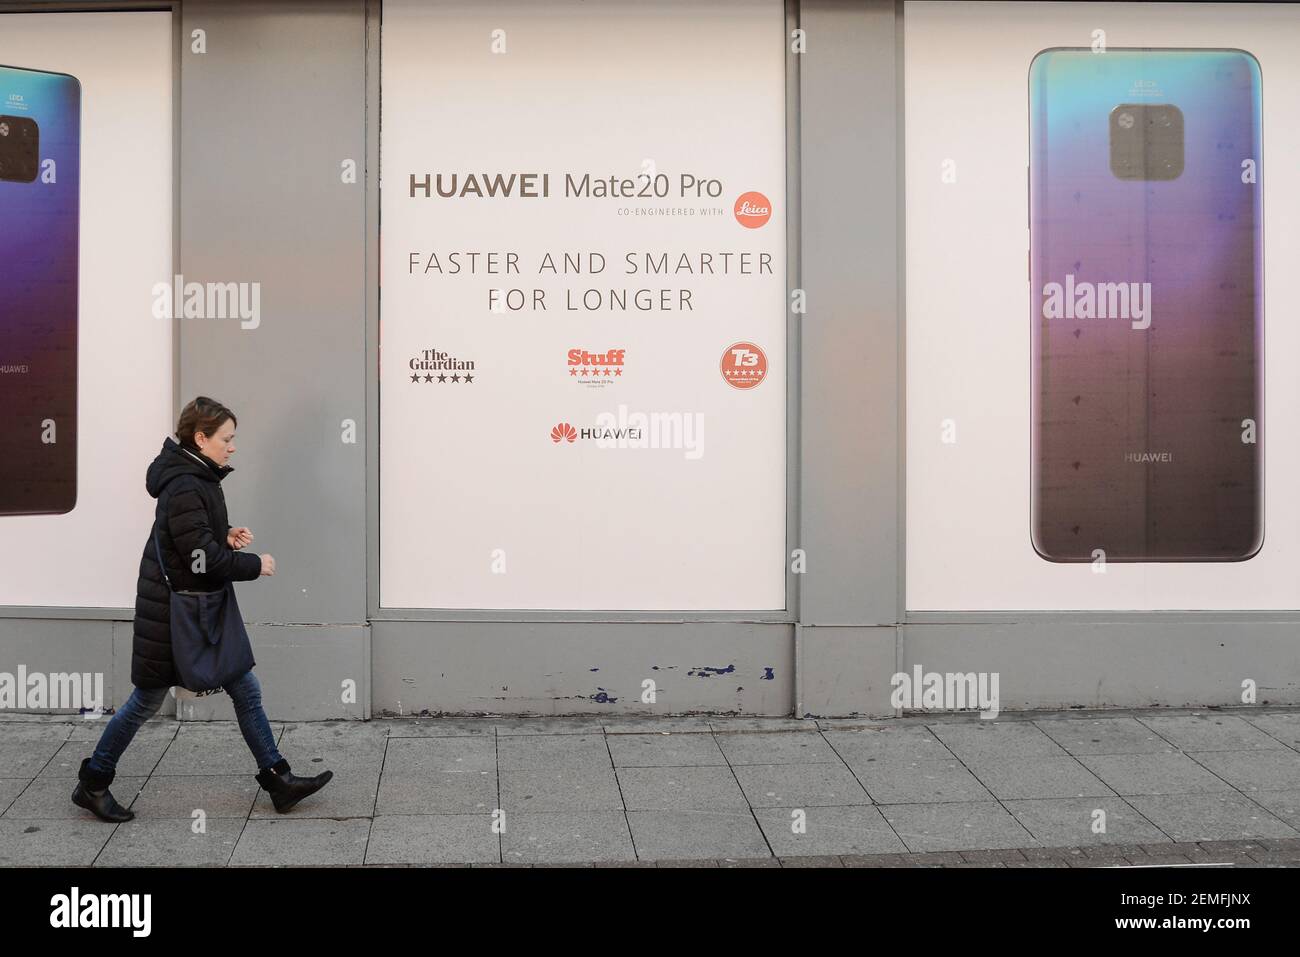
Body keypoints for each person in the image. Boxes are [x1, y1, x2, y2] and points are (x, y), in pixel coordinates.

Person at [72, 396, 332, 821]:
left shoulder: (195, 477)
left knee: (245, 688)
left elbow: (192, 542)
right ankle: (94, 782)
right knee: (146, 701)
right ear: (200, 438)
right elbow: (201, 560)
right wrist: (254, 564)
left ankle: (278, 780)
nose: (232, 447)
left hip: (192, 611)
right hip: (176, 617)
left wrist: (224, 533)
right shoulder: (186, 485)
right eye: (226, 439)